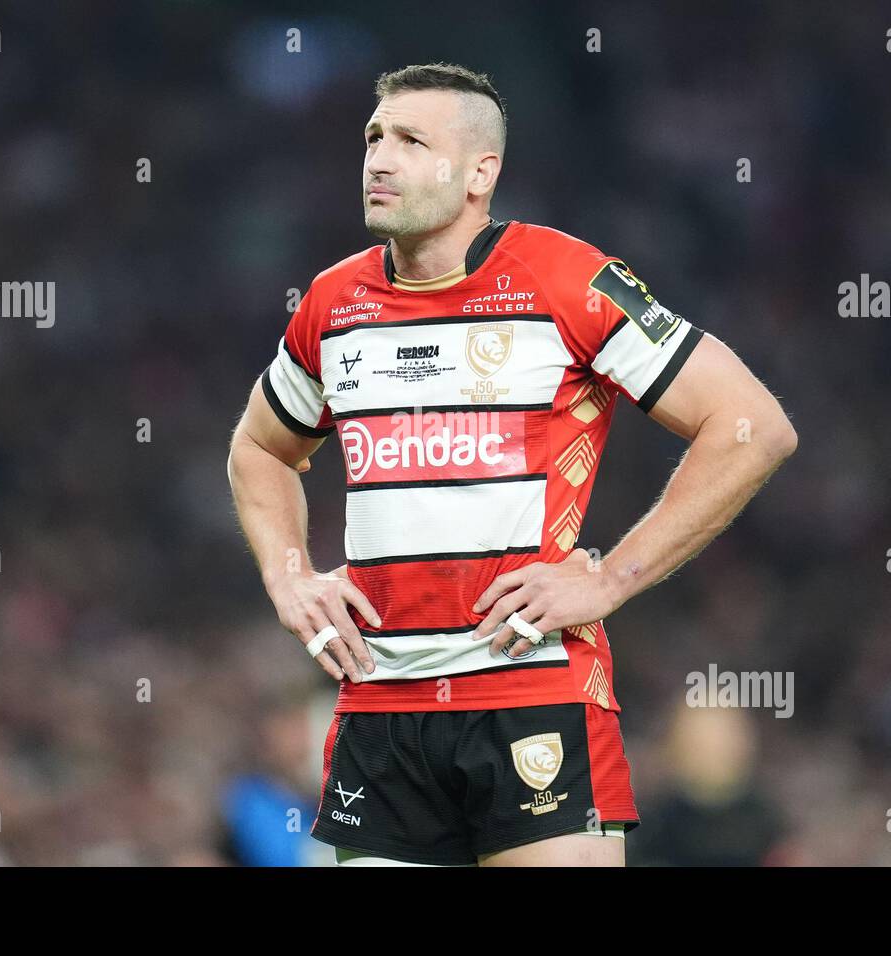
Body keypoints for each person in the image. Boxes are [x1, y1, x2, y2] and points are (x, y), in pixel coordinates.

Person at [227, 62, 797, 866]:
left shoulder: (568, 279)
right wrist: (290, 575)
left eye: (411, 140)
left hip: (533, 693)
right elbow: (260, 448)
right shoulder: (332, 305)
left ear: (478, 173)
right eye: (374, 137)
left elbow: (751, 425)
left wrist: (611, 577)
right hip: (380, 708)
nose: (379, 159)